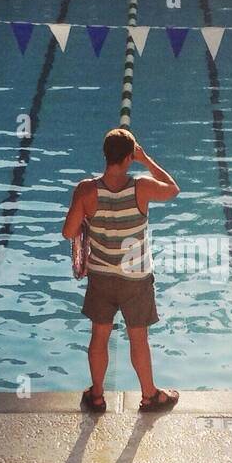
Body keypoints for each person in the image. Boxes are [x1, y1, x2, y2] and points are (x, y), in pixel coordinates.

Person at [61, 127, 181, 414]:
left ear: (105, 154)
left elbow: (68, 232)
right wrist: (146, 159)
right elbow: (173, 189)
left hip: (101, 275)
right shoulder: (142, 186)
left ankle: (98, 396)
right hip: (136, 279)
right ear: (129, 158)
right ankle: (150, 396)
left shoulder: (87, 190)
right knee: (138, 337)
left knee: (99, 336)